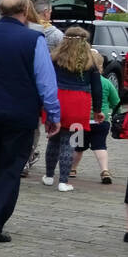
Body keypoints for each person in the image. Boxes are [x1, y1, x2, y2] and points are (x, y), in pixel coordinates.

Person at [0, 0, 61, 242]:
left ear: (0, 10)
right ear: (26, 10)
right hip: (21, 113)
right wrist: (53, 114)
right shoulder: (33, 39)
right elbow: (45, 81)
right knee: (10, 168)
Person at [42, 27, 103, 191]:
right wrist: (97, 110)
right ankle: (63, 181)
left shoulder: (55, 58)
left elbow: (46, 80)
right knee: (71, 142)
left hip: (57, 99)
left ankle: (48, 176)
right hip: (79, 103)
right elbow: (97, 88)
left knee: (53, 139)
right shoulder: (90, 62)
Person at [22, 0, 64, 175]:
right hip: (43, 85)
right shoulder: (56, 35)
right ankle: (25, 159)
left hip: (22, 82)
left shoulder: (25, 29)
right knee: (34, 125)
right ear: (46, 13)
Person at [70, 50, 117, 184]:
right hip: (100, 122)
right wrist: (115, 112)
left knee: (76, 147)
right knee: (100, 146)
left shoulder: (79, 81)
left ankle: (72, 169)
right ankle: (104, 170)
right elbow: (115, 100)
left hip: (79, 121)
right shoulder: (107, 83)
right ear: (101, 66)